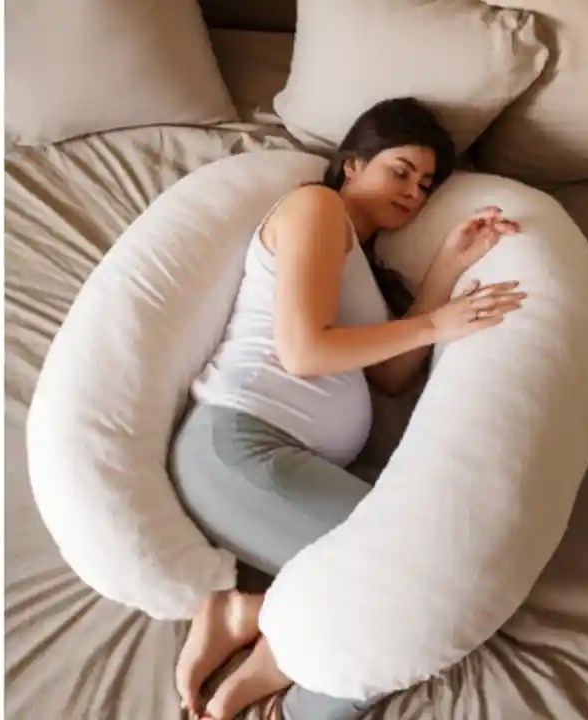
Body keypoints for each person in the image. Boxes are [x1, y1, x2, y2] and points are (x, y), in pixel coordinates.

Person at [168, 97, 525, 719]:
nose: (415, 192)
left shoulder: (363, 264)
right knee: (415, 580)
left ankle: (254, 619)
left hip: (285, 459)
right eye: (401, 171)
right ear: (353, 164)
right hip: (238, 446)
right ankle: (287, 689)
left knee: (435, 564)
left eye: (427, 184)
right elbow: (304, 352)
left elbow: (387, 376)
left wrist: (447, 264)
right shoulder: (315, 205)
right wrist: (437, 323)